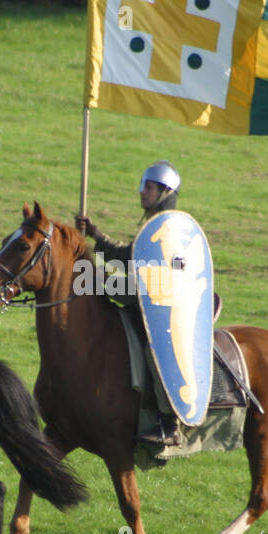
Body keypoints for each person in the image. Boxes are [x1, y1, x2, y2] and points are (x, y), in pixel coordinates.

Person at [76, 160, 186, 445]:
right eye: (143, 186)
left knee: (154, 350)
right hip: (144, 302)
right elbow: (129, 256)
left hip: (164, 310)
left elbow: (152, 285)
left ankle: (169, 421)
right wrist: (96, 235)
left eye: (148, 187)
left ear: (165, 191)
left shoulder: (171, 230)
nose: (142, 192)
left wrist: (105, 282)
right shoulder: (152, 226)